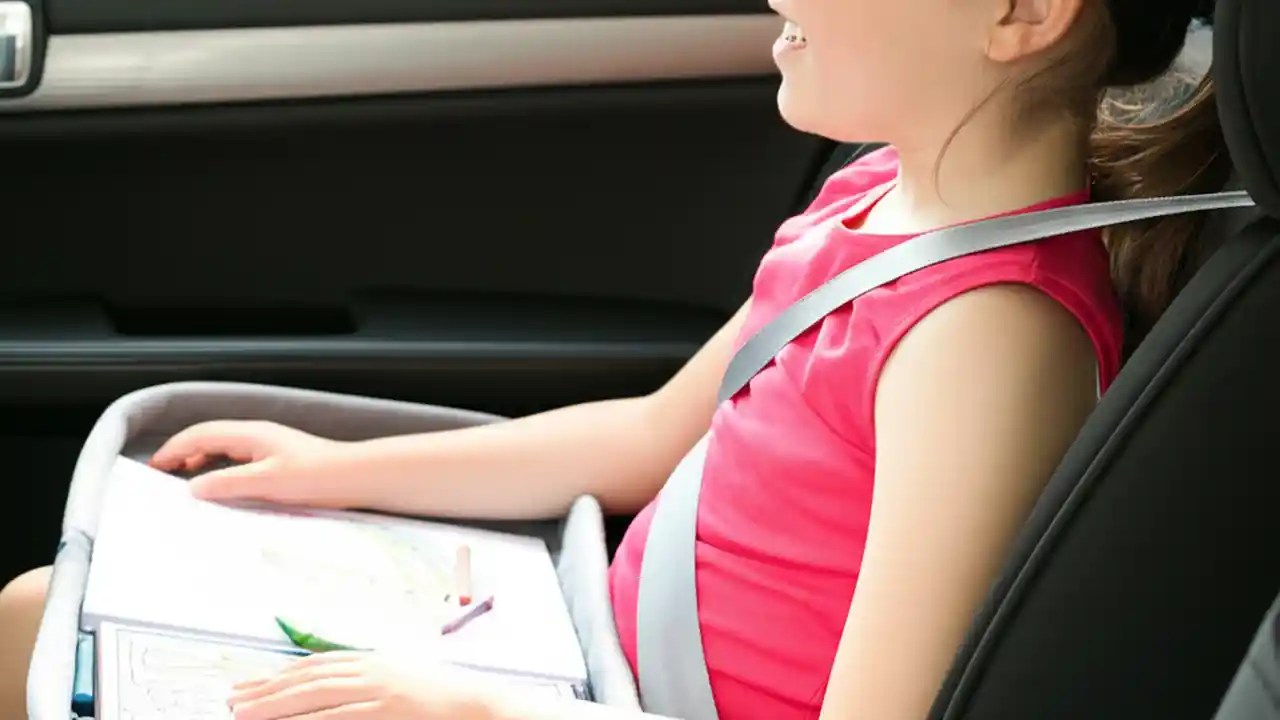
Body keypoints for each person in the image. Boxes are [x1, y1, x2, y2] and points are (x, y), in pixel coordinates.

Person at [0, 0, 1228, 717]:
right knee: (38, 615)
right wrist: (339, 471)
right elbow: (651, 437)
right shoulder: (874, 203)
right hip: (577, 655)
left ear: (1018, 12)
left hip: (577, 698)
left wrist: (478, 710)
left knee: (51, 637)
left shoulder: (989, 338)